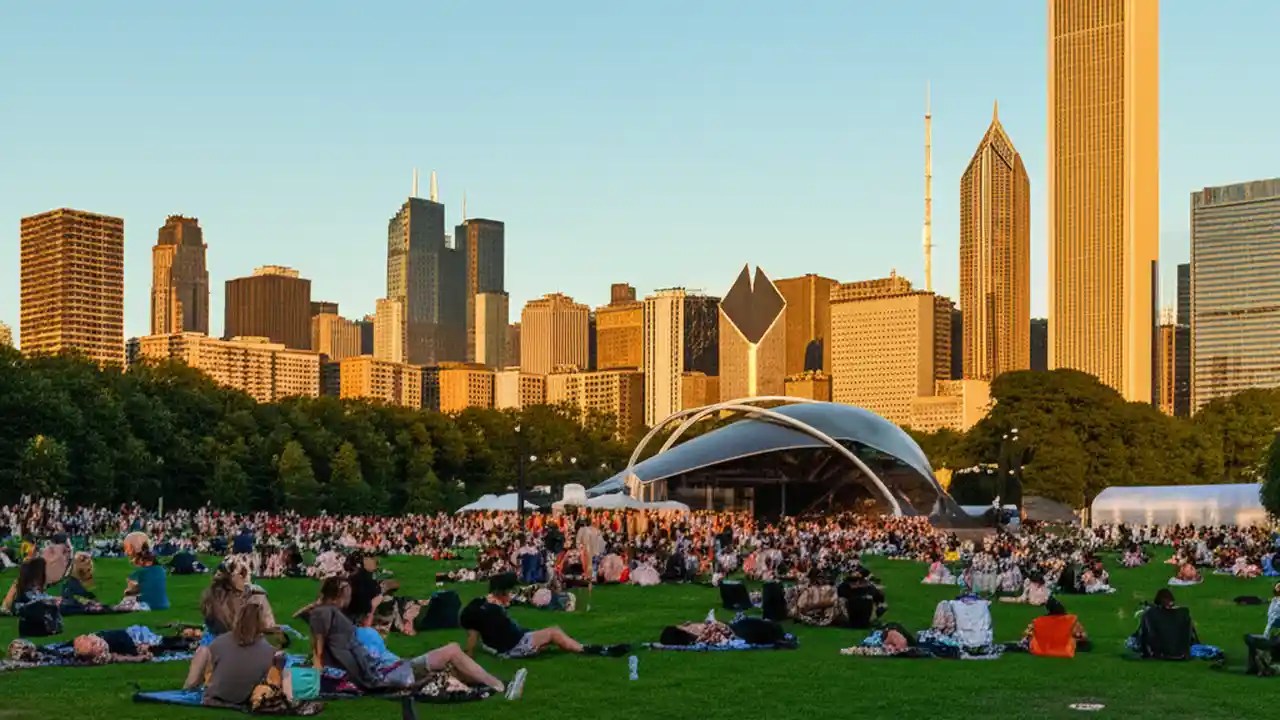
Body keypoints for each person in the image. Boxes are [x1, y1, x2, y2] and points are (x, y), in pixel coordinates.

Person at [308, 577, 510, 695]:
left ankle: (493, 683)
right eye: (347, 593)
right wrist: (318, 665)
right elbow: (319, 639)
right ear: (341, 594)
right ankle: (498, 686)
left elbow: (316, 629)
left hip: (395, 668)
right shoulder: (330, 617)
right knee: (452, 650)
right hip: (392, 672)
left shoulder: (337, 619)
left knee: (453, 663)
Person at [462, 573, 627, 659]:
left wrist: (472, 651)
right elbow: (483, 633)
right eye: (510, 591)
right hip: (514, 647)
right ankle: (587, 649)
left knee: (552, 638)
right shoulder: (492, 610)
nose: (512, 595)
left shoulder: (479, 605)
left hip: (510, 644)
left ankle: (574, 646)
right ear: (501, 592)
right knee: (553, 632)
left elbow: (472, 631)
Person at [185, 603, 276, 707]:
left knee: (203, 651)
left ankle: (187, 688)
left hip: (215, 696)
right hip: (242, 699)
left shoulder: (220, 642)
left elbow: (210, 670)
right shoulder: (269, 651)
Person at [1023, 598, 1090, 657]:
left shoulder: (1038, 621)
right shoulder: (1070, 620)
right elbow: (1083, 636)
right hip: (1064, 650)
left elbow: (1027, 633)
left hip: (1041, 650)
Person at [125, 544, 169, 610]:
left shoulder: (141, 571)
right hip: (164, 605)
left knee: (128, 593)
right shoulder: (161, 570)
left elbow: (130, 589)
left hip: (147, 604)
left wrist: (129, 591)